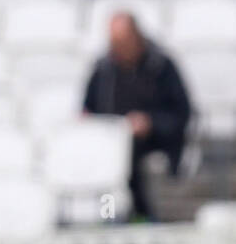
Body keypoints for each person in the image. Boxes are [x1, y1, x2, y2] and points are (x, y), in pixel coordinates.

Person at [82, 12, 192, 222]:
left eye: (122, 42)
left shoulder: (161, 66)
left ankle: (142, 216)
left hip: (154, 143)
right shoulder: (103, 69)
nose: (117, 48)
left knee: (130, 156)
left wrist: (150, 123)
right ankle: (106, 216)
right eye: (114, 42)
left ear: (136, 36)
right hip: (110, 143)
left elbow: (181, 114)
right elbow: (88, 109)